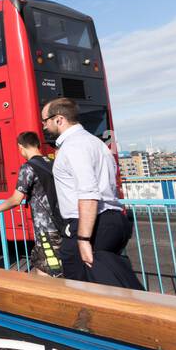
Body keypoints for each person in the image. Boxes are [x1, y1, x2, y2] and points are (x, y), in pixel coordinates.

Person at [40, 98, 142, 289]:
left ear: (59, 119)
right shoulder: (97, 143)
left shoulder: (73, 147)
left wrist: (83, 238)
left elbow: (88, 192)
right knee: (109, 282)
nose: (44, 127)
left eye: (45, 121)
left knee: (82, 288)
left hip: (88, 224)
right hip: (113, 219)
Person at [0, 131, 63, 277]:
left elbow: (16, 199)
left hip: (46, 230)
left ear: (21, 147)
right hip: (60, 224)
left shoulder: (28, 167)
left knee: (52, 273)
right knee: (41, 266)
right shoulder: (52, 163)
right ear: (38, 145)